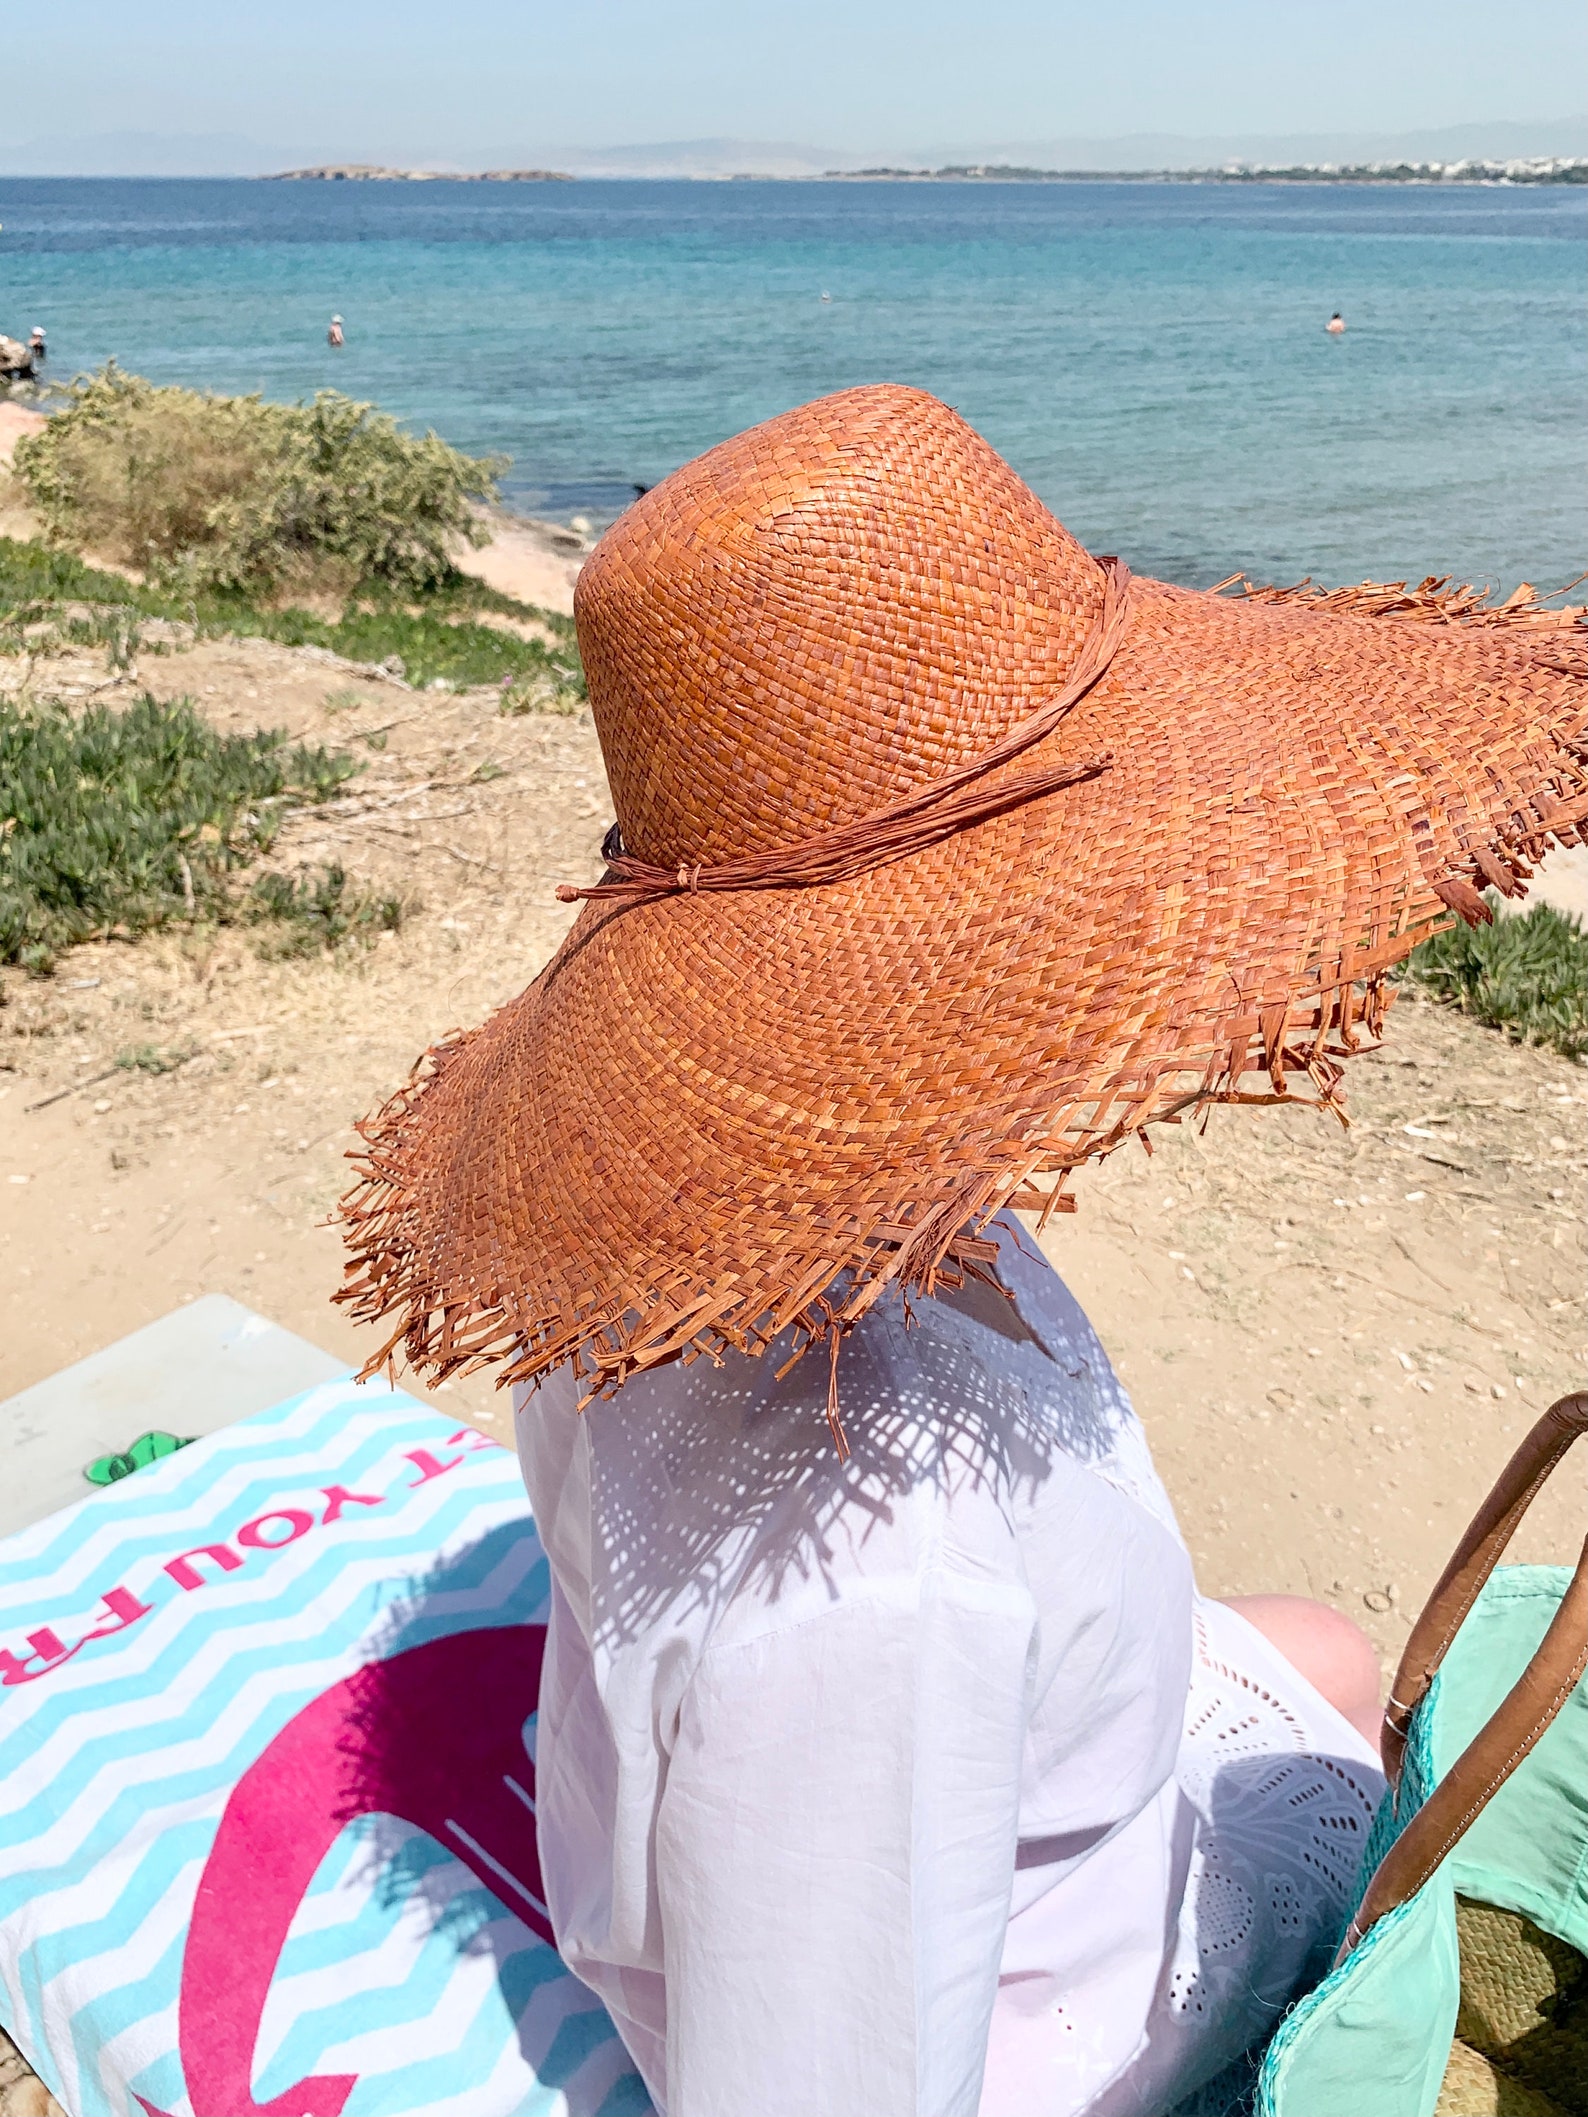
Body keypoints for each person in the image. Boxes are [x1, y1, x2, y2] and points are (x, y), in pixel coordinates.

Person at [339, 385, 1588, 2117]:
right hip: (1012, 2036)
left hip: (932, 1847)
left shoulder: (704, 1238)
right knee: (1345, 1724)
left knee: (1314, 1641)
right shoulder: (877, 1568)